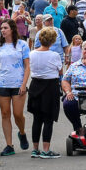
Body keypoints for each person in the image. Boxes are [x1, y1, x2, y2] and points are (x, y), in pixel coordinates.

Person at [0, 19, 31, 156]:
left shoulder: (22, 45)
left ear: (12, 29)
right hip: (2, 83)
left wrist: (24, 84)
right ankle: (9, 145)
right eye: (1, 28)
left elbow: (27, 66)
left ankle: (22, 132)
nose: (2, 30)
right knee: (5, 114)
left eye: (5, 28)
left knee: (18, 114)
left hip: (18, 83)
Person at [27, 27, 64, 158]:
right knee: (48, 119)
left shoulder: (32, 54)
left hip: (35, 85)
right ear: (52, 41)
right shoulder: (54, 55)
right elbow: (60, 72)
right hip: (50, 87)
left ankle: (35, 149)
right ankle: (46, 150)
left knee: (37, 119)